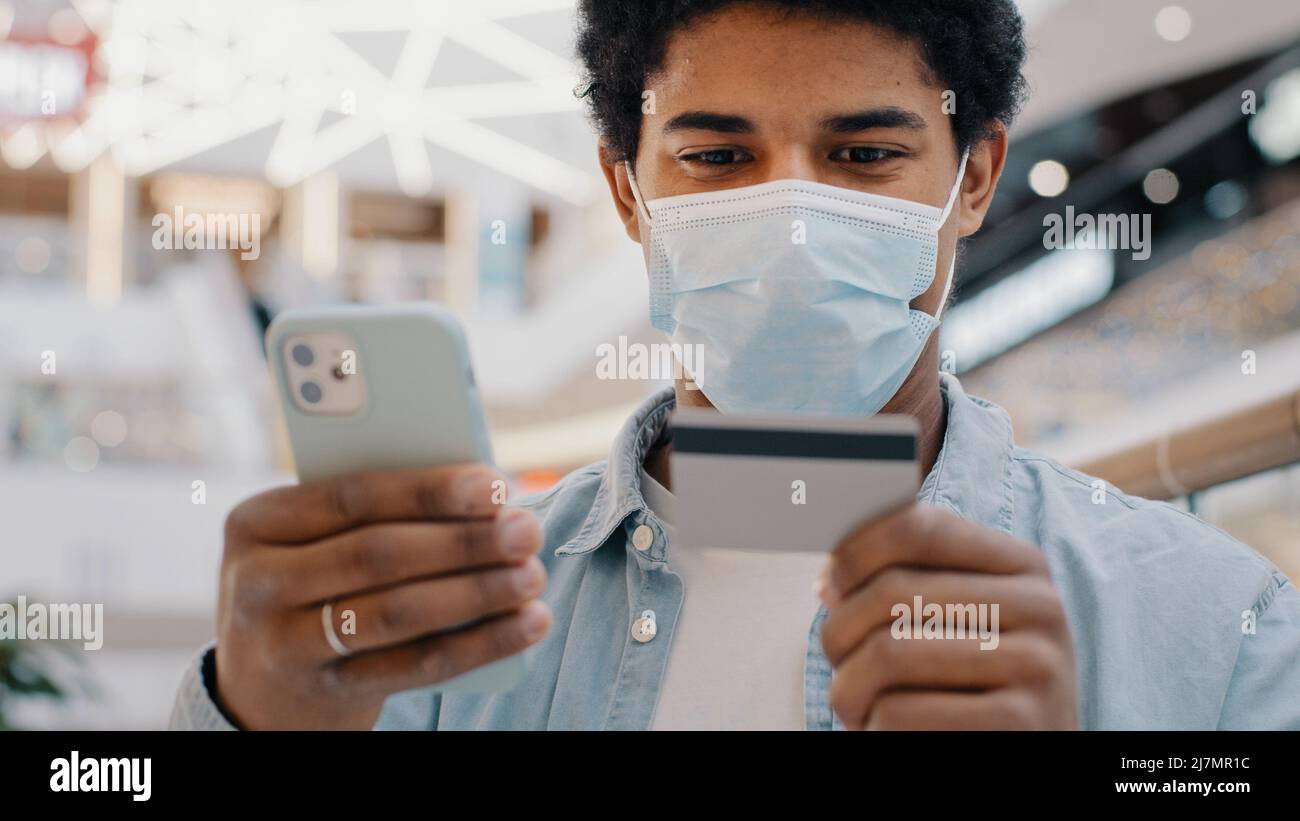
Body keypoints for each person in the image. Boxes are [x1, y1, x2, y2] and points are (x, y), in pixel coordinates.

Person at [170, 0, 1300, 731]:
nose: (793, 221)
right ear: (627, 191)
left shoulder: (1211, 627)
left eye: (864, 153)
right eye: (716, 156)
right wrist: (247, 717)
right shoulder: (448, 632)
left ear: (973, 179)